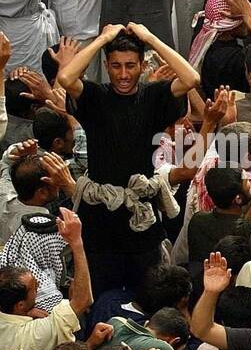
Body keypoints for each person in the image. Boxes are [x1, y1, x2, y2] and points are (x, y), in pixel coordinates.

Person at [57, 24, 200, 294]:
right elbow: (66, 77)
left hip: (141, 213)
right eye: (116, 66)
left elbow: (191, 78)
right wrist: (103, 38)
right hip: (100, 215)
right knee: (98, 291)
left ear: (142, 65)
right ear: (107, 66)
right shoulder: (96, 96)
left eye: (131, 66)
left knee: (146, 292)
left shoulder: (154, 96)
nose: (124, 74)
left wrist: (150, 38)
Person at [0, 209, 90, 350]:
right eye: (35, 288)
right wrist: (77, 243)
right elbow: (82, 301)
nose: (39, 286)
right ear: (20, 304)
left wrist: (25, 314)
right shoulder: (34, 334)